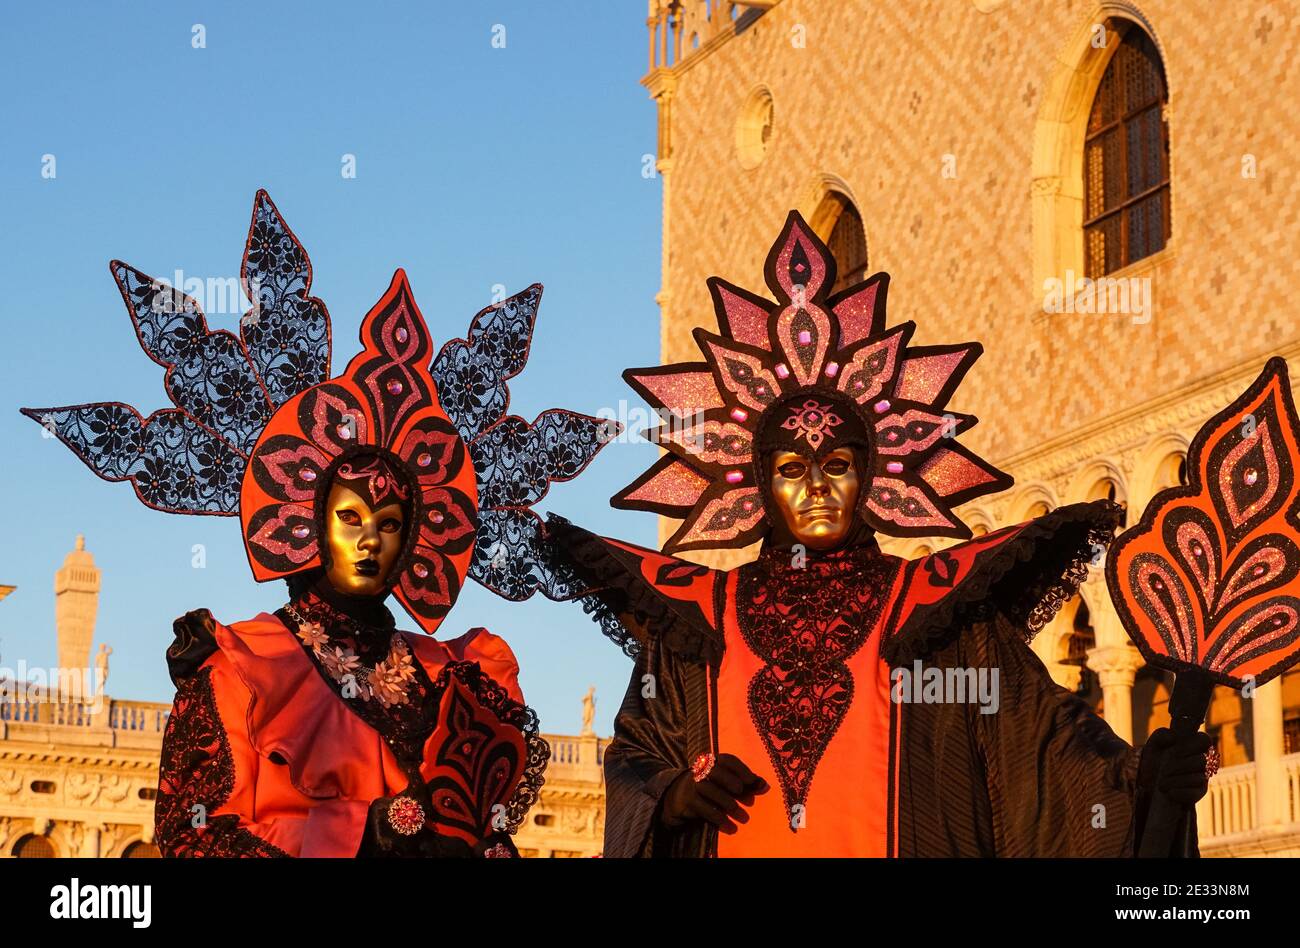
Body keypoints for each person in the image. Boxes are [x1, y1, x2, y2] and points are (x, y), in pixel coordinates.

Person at [549, 211, 1210, 857]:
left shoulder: (942, 622)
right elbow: (638, 757)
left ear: (875, 476)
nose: (815, 487)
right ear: (752, 486)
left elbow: (1046, 759)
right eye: (789, 468)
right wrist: (672, 797)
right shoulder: (696, 632)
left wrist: (1146, 788)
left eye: (837, 465)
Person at [23, 190, 616, 857]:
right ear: (308, 518)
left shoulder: (459, 677)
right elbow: (195, 838)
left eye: (390, 522)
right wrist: (362, 837)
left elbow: (487, 832)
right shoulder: (247, 666)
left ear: (418, 538)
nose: (370, 538)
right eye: (352, 516)